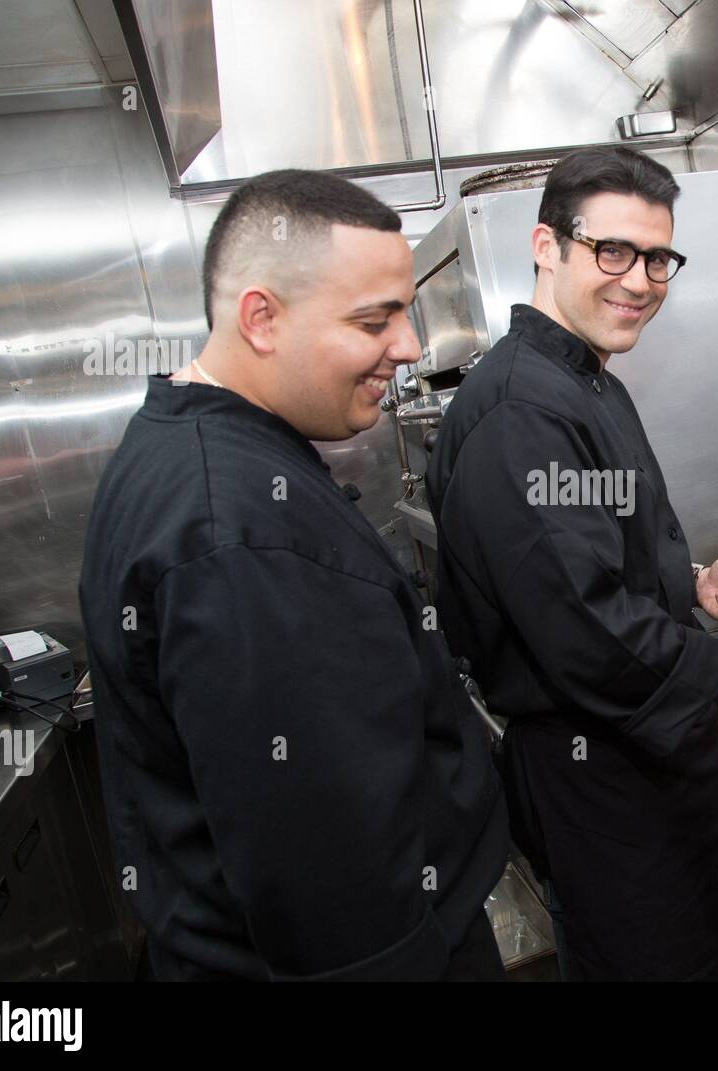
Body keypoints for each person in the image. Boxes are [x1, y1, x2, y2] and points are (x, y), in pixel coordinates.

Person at [426, 146, 718, 981]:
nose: (640, 280)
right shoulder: (524, 410)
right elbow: (592, 638)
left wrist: (693, 584)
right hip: (601, 783)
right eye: (613, 251)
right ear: (547, 246)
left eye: (658, 257)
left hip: (648, 766)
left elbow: (591, 571)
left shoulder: (588, 382)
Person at [79, 169, 508, 981]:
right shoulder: (241, 536)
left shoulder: (192, 446)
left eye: (407, 313)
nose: (410, 346)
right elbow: (333, 882)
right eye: (375, 319)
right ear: (261, 318)